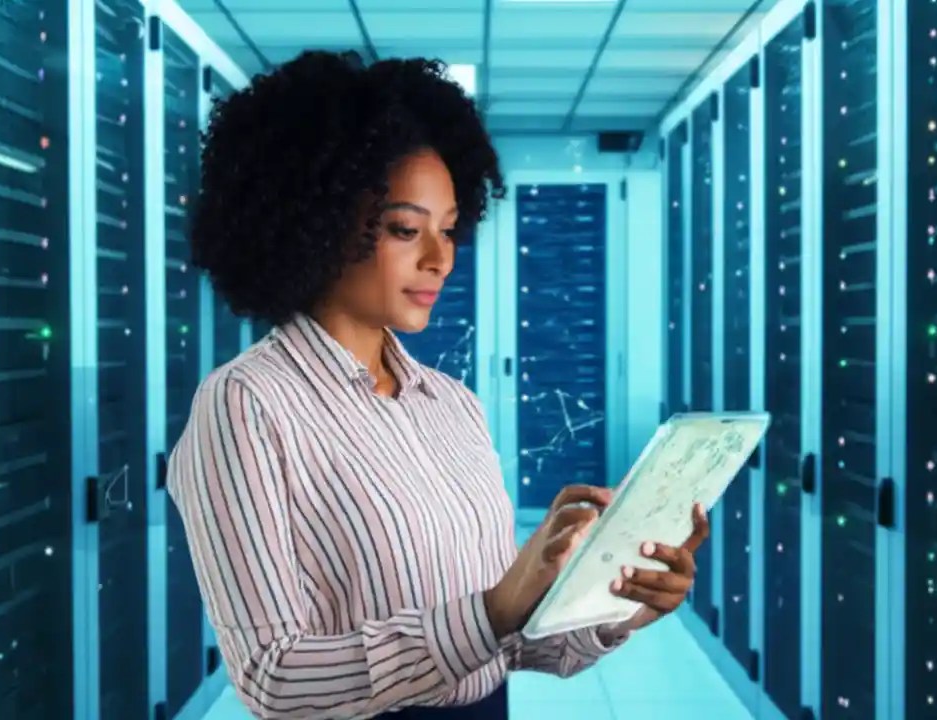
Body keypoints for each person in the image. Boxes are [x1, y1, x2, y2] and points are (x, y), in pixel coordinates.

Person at [167, 50, 710, 720]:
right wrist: (491, 610)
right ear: (315, 221)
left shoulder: (452, 405)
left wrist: (620, 601)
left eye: (450, 230)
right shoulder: (246, 405)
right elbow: (274, 680)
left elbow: (509, 645)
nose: (440, 258)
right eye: (404, 229)